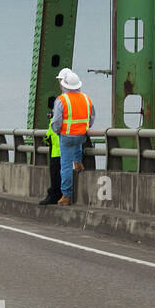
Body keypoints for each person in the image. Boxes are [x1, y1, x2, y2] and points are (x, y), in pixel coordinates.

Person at [50, 68, 94, 205]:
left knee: (65, 167)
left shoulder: (61, 100)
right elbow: (91, 118)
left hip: (67, 136)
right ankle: (78, 162)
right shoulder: (86, 98)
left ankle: (66, 195)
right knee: (77, 146)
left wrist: (57, 131)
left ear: (64, 85)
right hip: (81, 135)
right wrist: (84, 128)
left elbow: (56, 121)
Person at [38, 110, 62, 205]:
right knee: (57, 171)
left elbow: (55, 126)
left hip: (58, 147)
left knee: (56, 171)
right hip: (58, 146)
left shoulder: (61, 103)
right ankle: (56, 194)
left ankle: (55, 195)